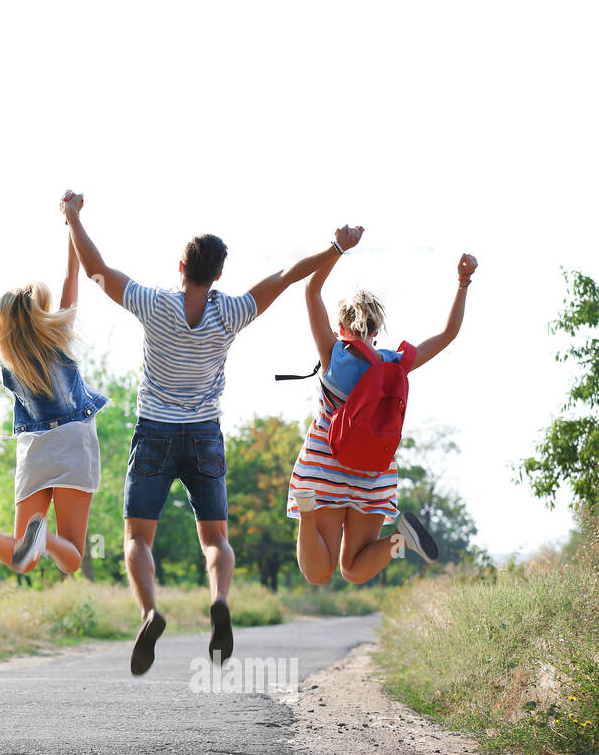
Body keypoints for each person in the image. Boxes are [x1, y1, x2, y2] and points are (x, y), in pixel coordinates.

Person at [61, 189, 358, 673]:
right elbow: (286, 277)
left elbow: (95, 268)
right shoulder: (231, 312)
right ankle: (218, 599)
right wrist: (337, 249)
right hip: (203, 434)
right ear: (218, 274)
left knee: (138, 537)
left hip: (155, 431)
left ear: (181, 265)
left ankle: (150, 611)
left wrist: (72, 217)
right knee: (216, 539)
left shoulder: (153, 304)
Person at [288, 233, 478, 585]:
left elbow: (311, 291)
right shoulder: (396, 364)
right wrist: (463, 282)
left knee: (319, 573)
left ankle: (307, 511)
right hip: (373, 473)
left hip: (324, 464)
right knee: (354, 570)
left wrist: (339, 247)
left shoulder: (333, 353)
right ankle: (401, 539)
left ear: (341, 327)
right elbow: (448, 333)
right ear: (377, 328)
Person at [0, 220, 106, 575]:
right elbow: (72, 276)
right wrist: (71, 225)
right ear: (42, 312)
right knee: (71, 557)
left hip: (34, 449)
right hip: (73, 443)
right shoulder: (60, 336)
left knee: (22, 561)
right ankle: (46, 538)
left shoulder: (6, 349)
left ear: (5, 321)